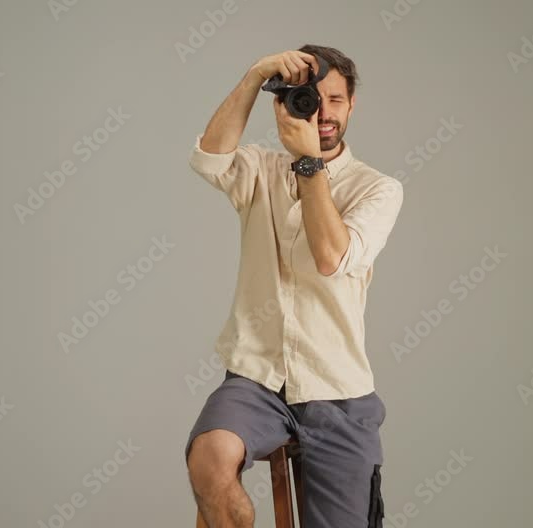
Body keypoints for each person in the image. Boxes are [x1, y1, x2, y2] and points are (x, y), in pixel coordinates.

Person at [184, 44, 404, 528]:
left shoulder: (377, 188)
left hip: (338, 388)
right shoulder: (261, 167)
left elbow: (332, 257)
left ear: (352, 105)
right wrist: (253, 75)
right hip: (256, 377)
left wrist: (308, 164)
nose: (322, 113)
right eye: (309, 98)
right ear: (284, 102)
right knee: (209, 460)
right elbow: (207, 158)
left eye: (335, 100)